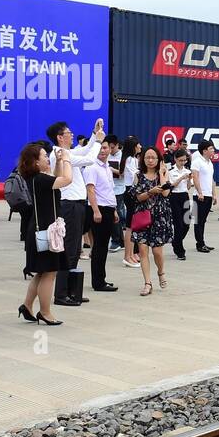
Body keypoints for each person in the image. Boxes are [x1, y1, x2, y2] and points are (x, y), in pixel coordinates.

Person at [47, 118, 104, 306]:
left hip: (77, 204)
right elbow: (89, 157)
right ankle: (61, 293)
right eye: (68, 133)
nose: (72, 135)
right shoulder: (59, 154)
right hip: (69, 205)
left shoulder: (67, 152)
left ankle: (73, 290)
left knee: (75, 248)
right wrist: (99, 141)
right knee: (69, 249)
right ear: (60, 137)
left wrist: (95, 134)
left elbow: (85, 150)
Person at [18, 142, 69, 326]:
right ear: (35, 162)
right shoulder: (40, 180)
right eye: (44, 156)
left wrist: (59, 161)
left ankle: (27, 305)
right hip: (47, 233)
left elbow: (56, 177)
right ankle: (45, 312)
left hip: (40, 230)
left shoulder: (37, 178)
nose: (47, 157)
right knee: (49, 273)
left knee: (41, 272)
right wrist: (67, 159)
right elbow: (66, 180)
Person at [130, 146, 173, 295]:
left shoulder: (164, 173)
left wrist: (162, 174)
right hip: (142, 216)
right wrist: (150, 192)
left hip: (159, 217)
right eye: (147, 157)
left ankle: (161, 272)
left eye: (153, 157)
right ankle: (147, 283)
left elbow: (166, 193)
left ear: (159, 159)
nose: (149, 160)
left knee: (157, 252)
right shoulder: (138, 175)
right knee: (142, 250)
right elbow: (137, 197)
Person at [86, 140, 119, 292]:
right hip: (99, 209)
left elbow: (109, 191)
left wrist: (114, 210)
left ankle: (102, 278)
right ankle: (98, 282)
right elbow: (90, 190)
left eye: (106, 147)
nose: (103, 151)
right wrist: (96, 211)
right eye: (100, 148)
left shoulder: (107, 168)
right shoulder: (92, 167)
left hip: (108, 208)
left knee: (103, 246)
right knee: (99, 247)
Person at [167, 147, 194, 260]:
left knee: (187, 224)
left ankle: (176, 241)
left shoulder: (187, 171)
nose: (183, 162)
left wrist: (188, 179)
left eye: (184, 160)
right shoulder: (171, 171)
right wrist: (181, 178)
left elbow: (188, 187)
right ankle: (180, 250)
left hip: (185, 196)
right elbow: (171, 185)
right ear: (175, 159)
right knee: (178, 225)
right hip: (174, 197)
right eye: (180, 160)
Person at [119, 137, 142, 267]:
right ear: (133, 146)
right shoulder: (129, 159)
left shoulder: (132, 159)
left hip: (131, 190)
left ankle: (131, 254)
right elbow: (135, 176)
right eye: (138, 144)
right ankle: (127, 256)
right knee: (130, 226)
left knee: (133, 226)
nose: (140, 146)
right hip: (130, 191)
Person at [191, 140, 216, 253]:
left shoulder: (209, 162)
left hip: (208, 195)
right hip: (200, 195)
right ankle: (199, 244)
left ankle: (203, 242)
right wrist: (199, 192)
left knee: (203, 220)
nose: (213, 150)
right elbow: (195, 177)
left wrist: (214, 194)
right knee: (198, 221)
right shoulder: (197, 162)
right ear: (204, 150)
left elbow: (211, 180)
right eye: (211, 148)